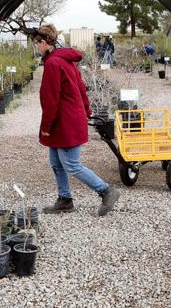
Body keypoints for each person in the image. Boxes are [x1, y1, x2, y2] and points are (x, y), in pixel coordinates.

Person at [32, 24, 119, 216]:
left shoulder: (54, 63)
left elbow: (50, 98)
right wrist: (86, 109)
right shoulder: (64, 60)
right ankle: (65, 199)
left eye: (37, 44)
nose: (36, 47)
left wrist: (45, 126)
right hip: (65, 119)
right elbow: (80, 86)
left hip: (65, 122)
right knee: (56, 161)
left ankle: (106, 190)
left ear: (45, 43)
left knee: (71, 164)